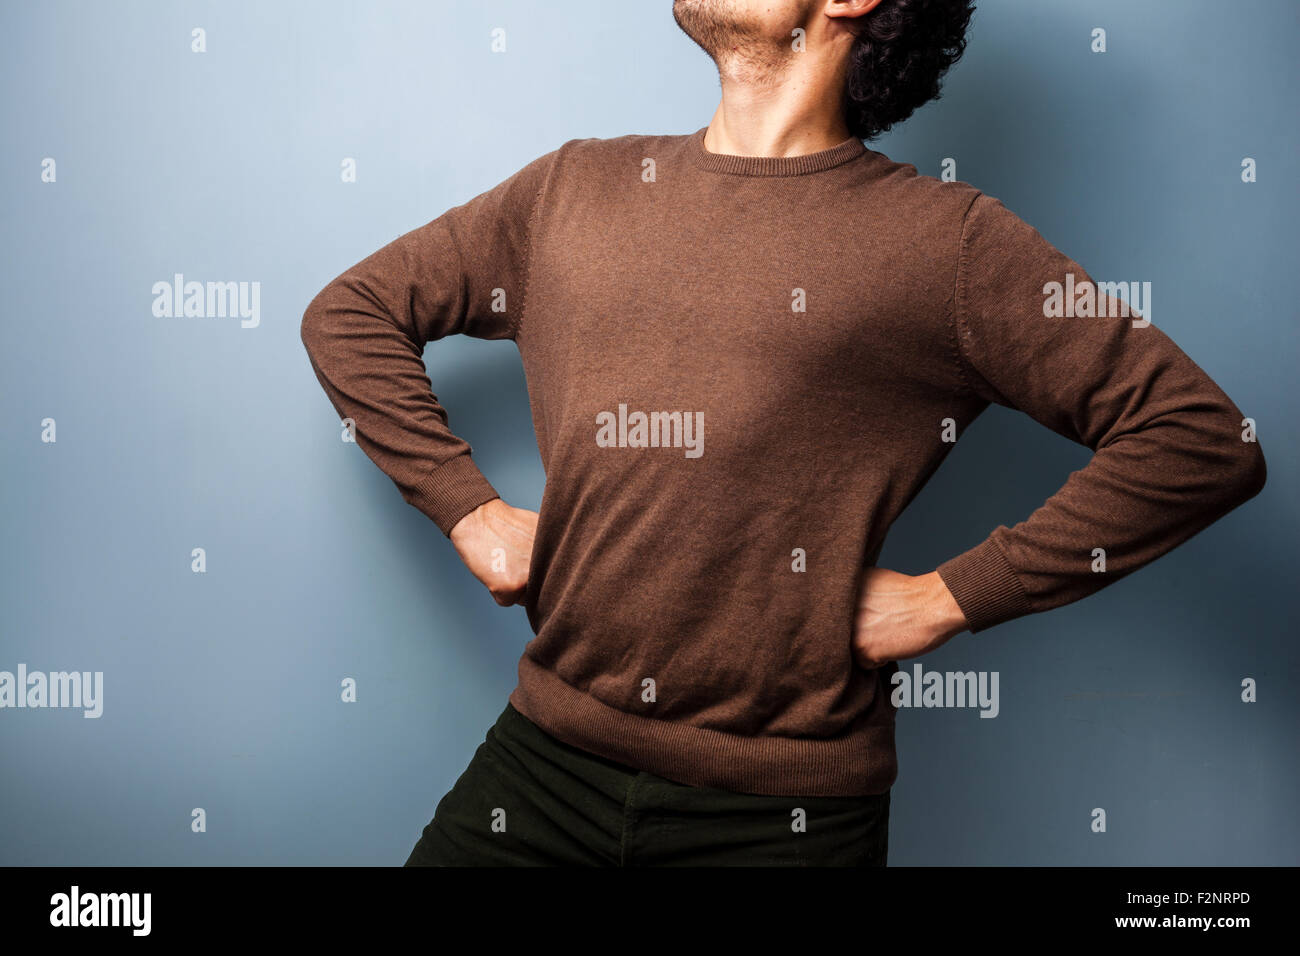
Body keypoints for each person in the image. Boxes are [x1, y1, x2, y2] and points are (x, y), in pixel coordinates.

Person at [299, 0, 1266, 866]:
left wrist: (946, 598)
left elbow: (1202, 439)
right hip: (544, 765)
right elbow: (351, 313)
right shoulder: (572, 189)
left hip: (783, 821)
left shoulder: (949, 246)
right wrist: (470, 511)